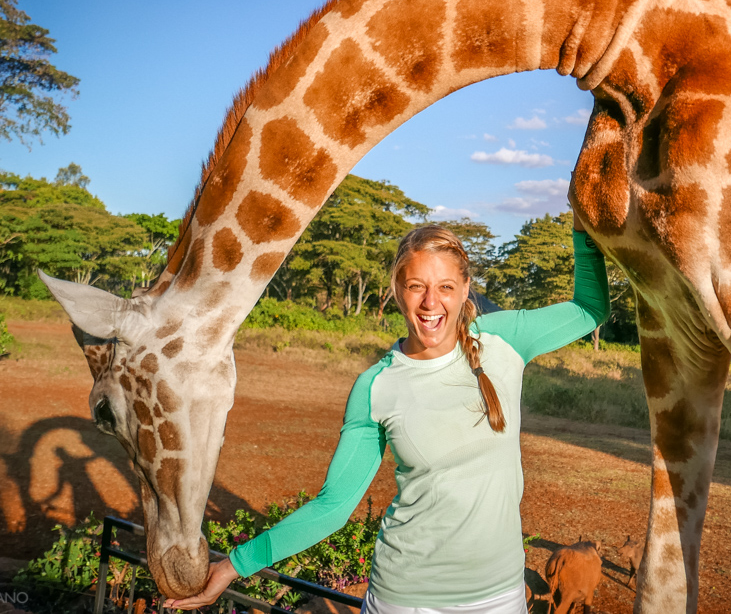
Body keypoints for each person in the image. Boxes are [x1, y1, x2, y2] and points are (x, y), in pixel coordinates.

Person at [165, 214, 609, 613]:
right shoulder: (375, 386)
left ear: (465, 289)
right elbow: (333, 507)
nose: (431, 303)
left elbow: (590, 309)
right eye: (416, 286)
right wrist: (235, 565)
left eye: (445, 287)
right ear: (397, 290)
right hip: (405, 598)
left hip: (500, 597)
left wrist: (583, 226)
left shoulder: (504, 339)